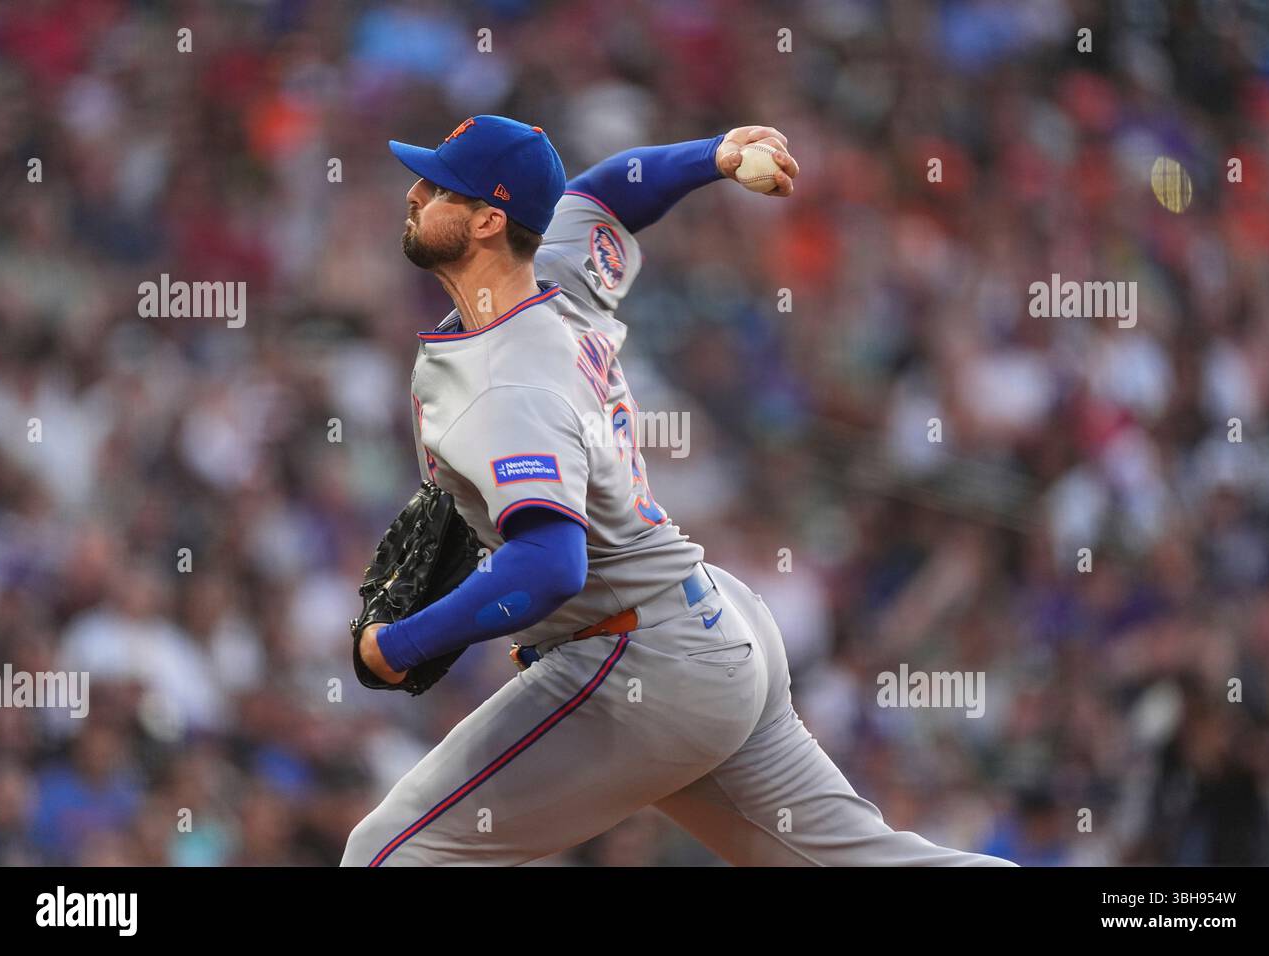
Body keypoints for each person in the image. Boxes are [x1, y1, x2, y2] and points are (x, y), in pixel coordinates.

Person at [340, 115, 1015, 866]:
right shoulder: (552, 271)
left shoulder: (510, 383)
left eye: (436, 187)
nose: (413, 194)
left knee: (388, 854)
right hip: (709, 630)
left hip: (640, 660)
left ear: (488, 221)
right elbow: (605, 194)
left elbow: (549, 564)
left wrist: (398, 646)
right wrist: (714, 156)